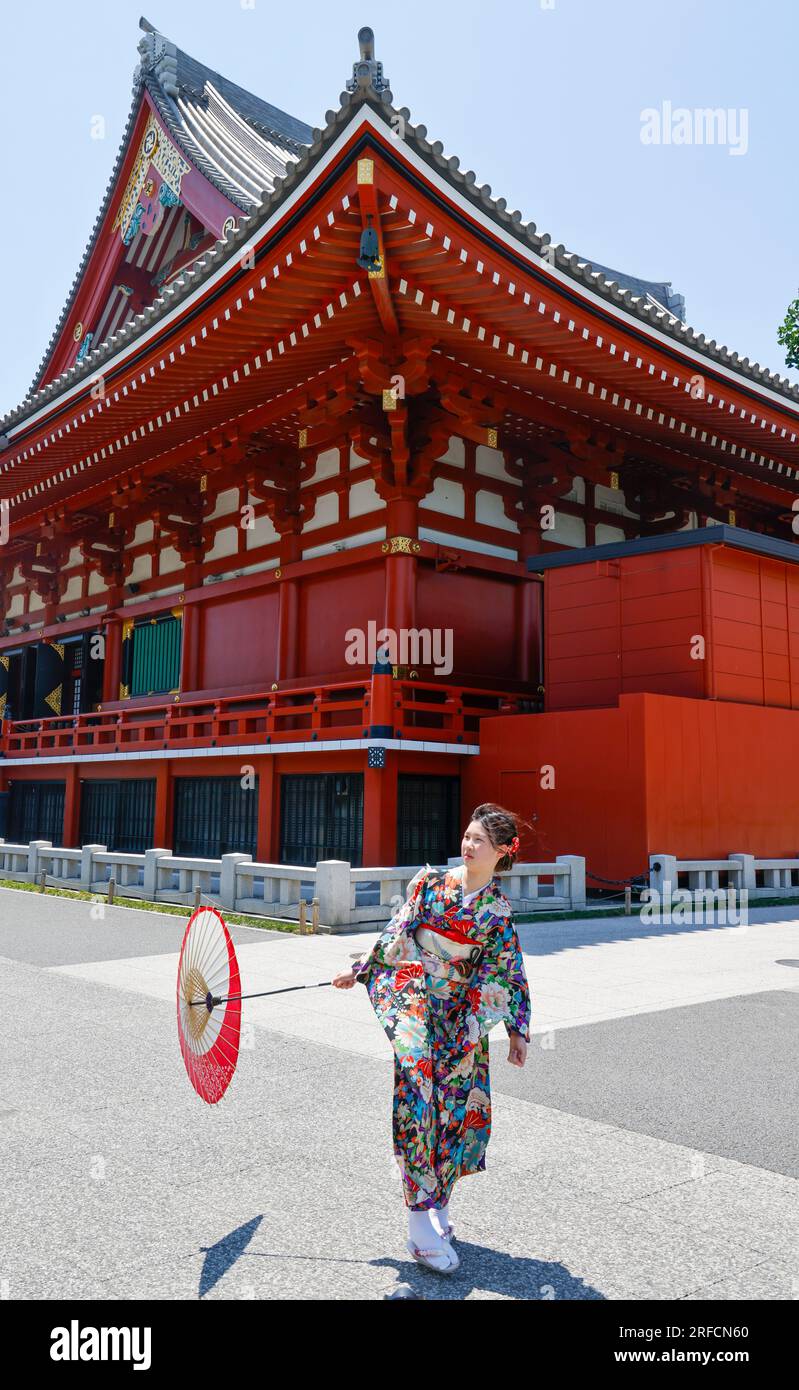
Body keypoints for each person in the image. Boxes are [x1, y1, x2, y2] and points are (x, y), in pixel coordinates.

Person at [332, 802, 532, 1275]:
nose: (467, 845)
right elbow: (399, 929)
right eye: (466, 835)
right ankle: (420, 1225)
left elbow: (506, 971)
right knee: (420, 1099)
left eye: (478, 840)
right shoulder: (431, 886)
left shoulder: (497, 912)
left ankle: (439, 1206)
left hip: (461, 1018)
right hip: (418, 1002)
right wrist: (359, 969)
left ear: (502, 852)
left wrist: (516, 1028)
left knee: (456, 1113)